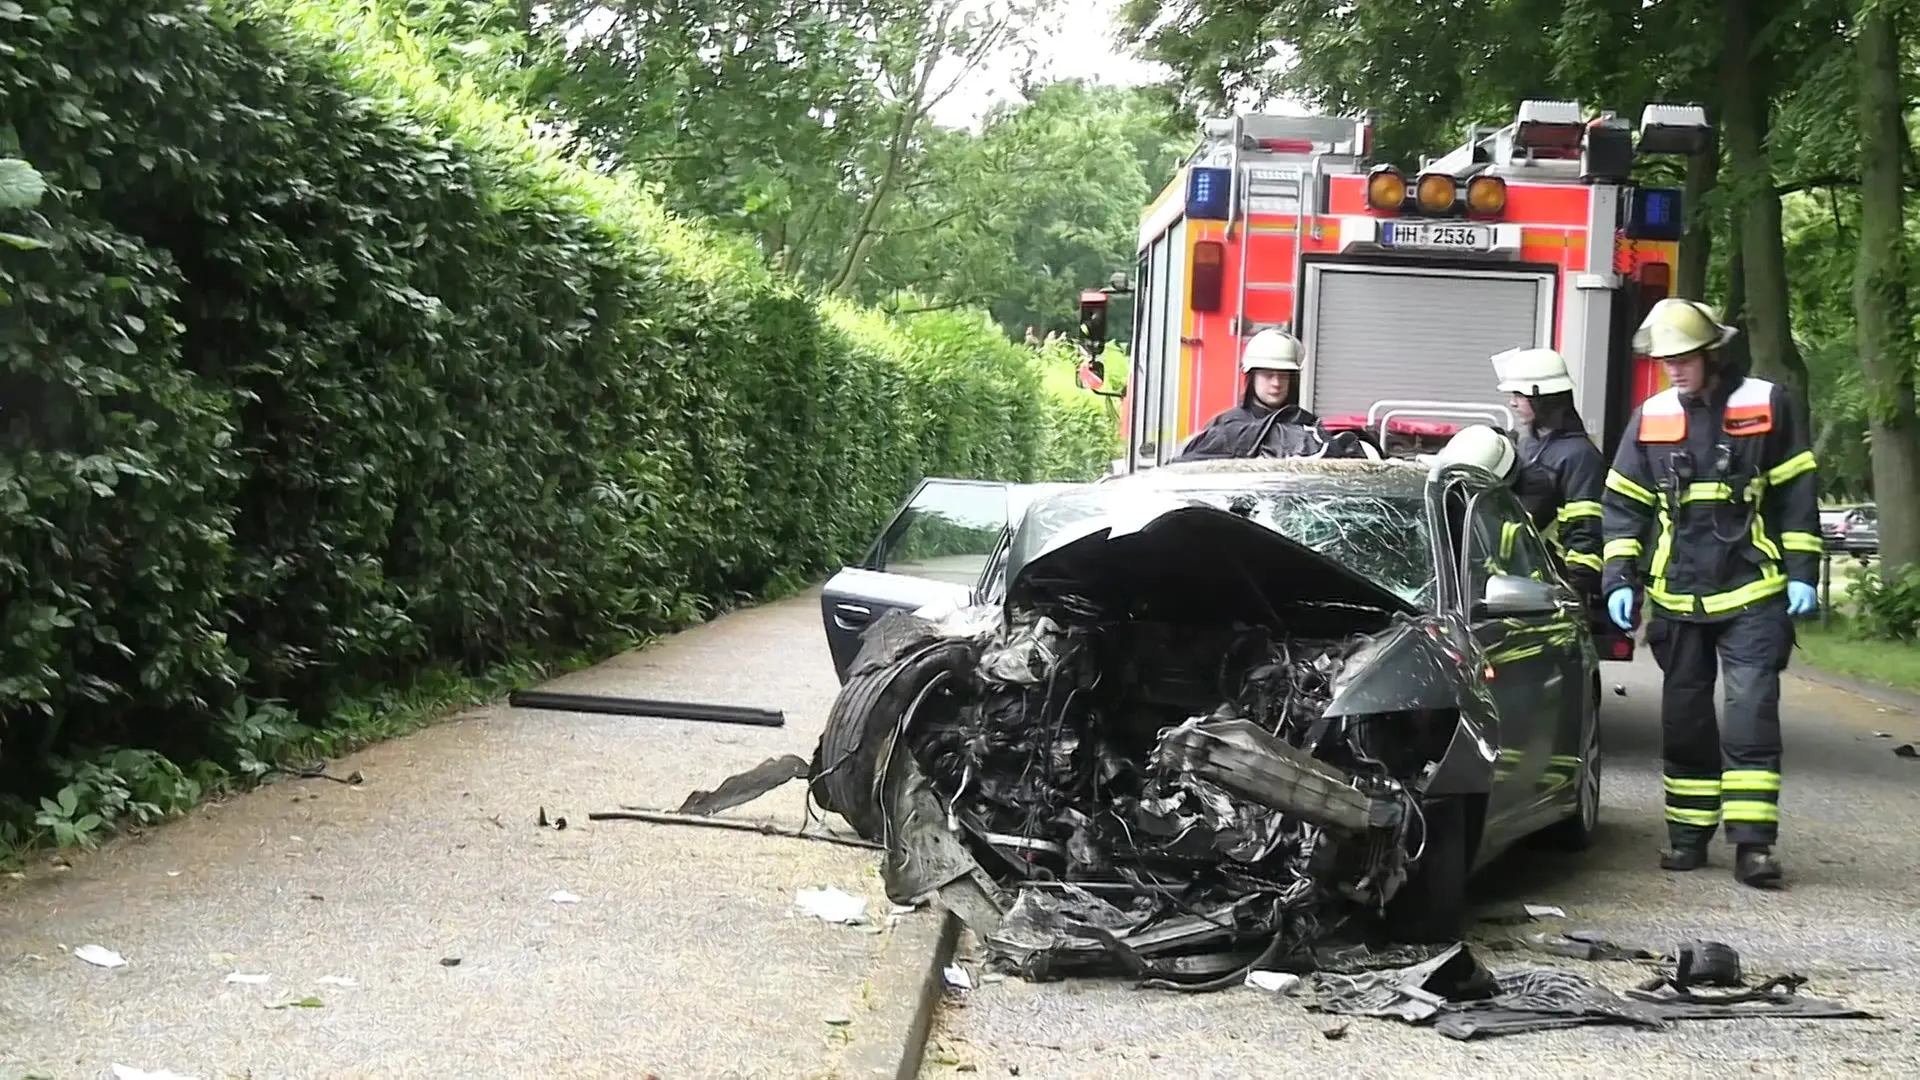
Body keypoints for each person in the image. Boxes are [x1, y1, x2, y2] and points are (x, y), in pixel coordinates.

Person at [1599, 297, 1821, 891]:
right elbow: (1623, 506)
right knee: (1684, 721)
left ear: (1712, 354)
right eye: (1665, 359)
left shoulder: (1767, 404)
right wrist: (1620, 580)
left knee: (1750, 716)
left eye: (1684, 357)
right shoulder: (1651, 416)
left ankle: (1753, 846)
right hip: (1678, 599)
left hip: (1753, 591)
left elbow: (1795, 494)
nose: (1673, 368)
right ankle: (1689, 836)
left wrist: (1803, 571)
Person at [1491, 347, 1606, 599]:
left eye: (1518, 395)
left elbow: (1585, 538)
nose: (1512, 402)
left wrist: (1568, 596)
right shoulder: (1528, 443)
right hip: (1516, 582)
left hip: (1549, 591)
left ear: (1542, 397)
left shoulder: (1580, 457)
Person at [1172, 329, 1327, 460]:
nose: (1276, 383)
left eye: (1284, 375)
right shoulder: (1226, 425)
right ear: (1252, 377)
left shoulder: (1308, 425)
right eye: (1268, 374)